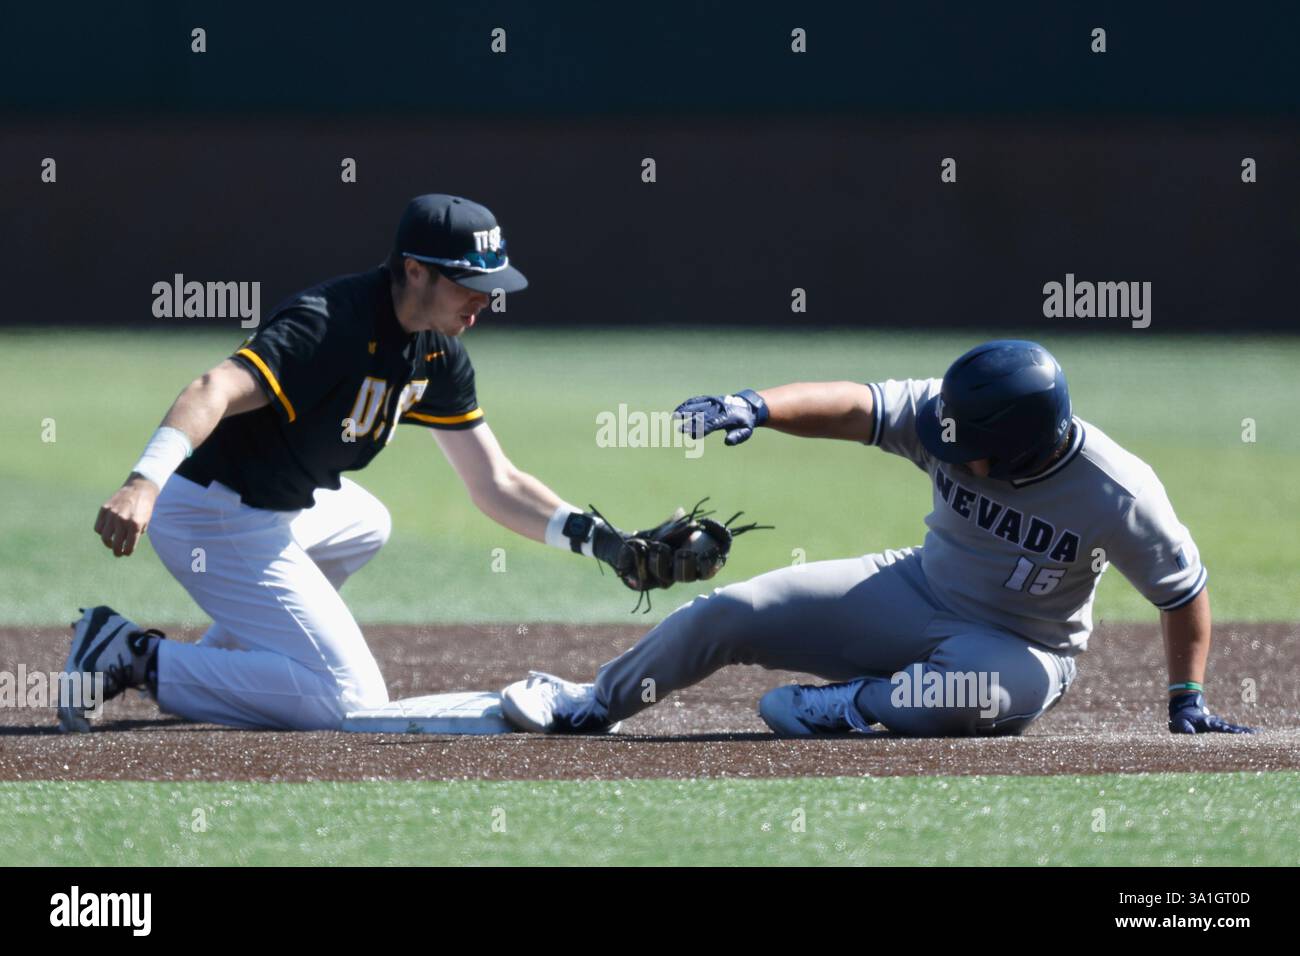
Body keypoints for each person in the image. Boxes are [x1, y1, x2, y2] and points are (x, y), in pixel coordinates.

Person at [59, 194, 658, 732]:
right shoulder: (329, 321)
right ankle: (128, 654)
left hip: (280, 505)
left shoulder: (439, 351)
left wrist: (602, 541)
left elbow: (495, 482)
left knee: (365, 521)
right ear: (414, 271)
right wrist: (144, 480)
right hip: (212, 513)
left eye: (490, 282)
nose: (483, 300)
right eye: (466, 282)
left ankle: (233, 664)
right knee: (345, 698)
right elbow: (212, 387)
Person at [498, 340, 1254, 738]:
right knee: (729, 612)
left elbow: (1181, 591)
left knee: (977, 692)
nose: (942, 442)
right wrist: (753, 405)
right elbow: (854, 404)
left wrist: (1186, 695)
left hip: (1025, 648)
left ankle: (852, 705)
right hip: (915, 588)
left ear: (1025, 444)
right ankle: (594, 703)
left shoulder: (1116, 489)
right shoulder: (949, 411)